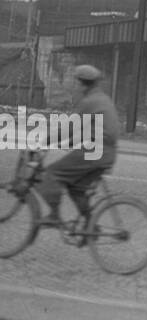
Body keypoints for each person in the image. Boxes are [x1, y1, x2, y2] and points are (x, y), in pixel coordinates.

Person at [33, 65, 120, 242]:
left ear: (82, 84)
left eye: (76, 82)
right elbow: (88, 129)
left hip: (96, 151)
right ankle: (91, 226)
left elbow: (71, 127)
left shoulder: (90, 102)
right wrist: (68, 143)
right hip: (106, 153)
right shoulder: (101, 98)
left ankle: (54, 216)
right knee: (77, 189)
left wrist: (45, 141)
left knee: (51, 174)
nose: (74, 85)